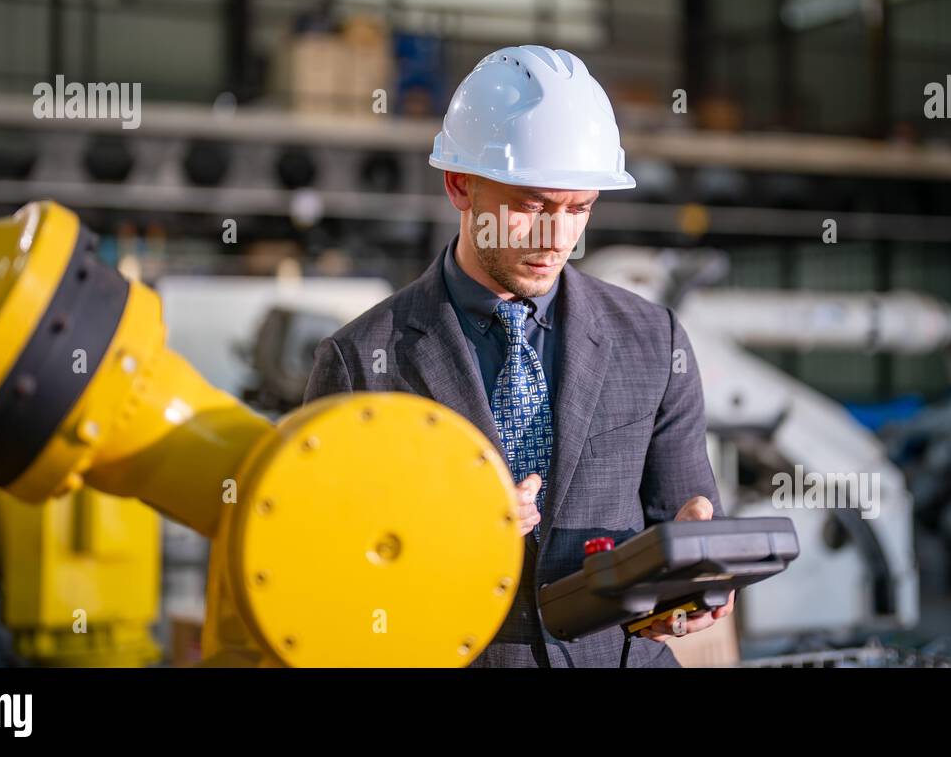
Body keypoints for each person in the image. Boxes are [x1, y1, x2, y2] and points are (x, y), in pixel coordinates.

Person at [303, 44, 729, 667]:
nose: (558, 240)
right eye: (532, 207)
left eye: (579, 210)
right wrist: (443, 527)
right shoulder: (361, 360)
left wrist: (700, 568)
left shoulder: (652, 341)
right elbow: (324, 565)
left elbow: (683, 513)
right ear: (459, 185)